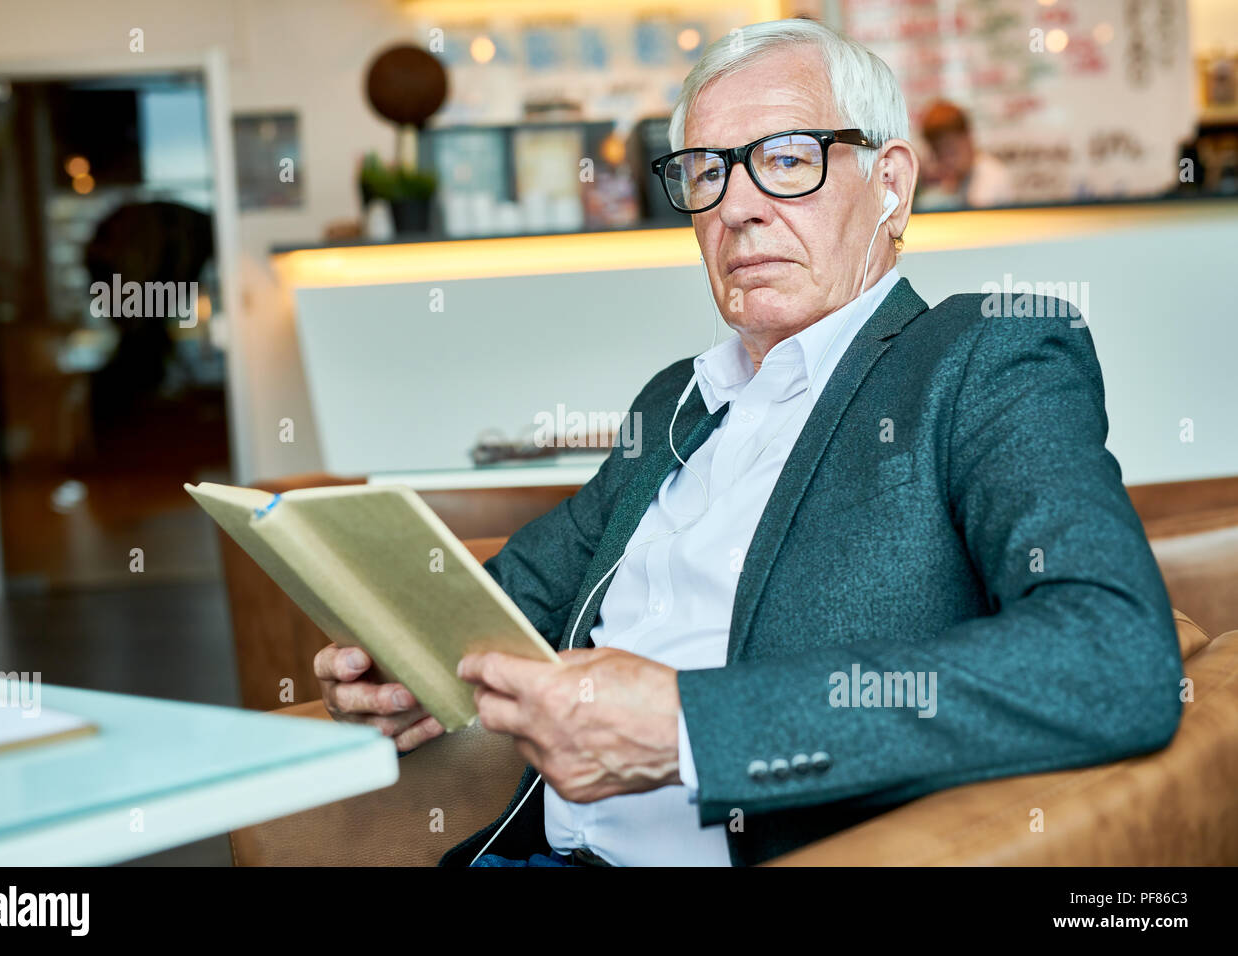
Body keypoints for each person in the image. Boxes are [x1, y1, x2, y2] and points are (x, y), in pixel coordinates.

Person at [314, 17, 1182, 867]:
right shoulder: (677, 400)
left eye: (788, 159)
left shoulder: (983, 357)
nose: (736, 207)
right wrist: (400, 656)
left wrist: (690, 729)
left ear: (890, 183)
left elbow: (1112, 653)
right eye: (704, 172)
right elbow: (517, 594)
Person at [914, 99, 1014, 210]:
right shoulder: (956, 182)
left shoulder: (992, 178)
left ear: (968, 137)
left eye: (951, 151)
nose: (947, 161)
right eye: (939, 154)